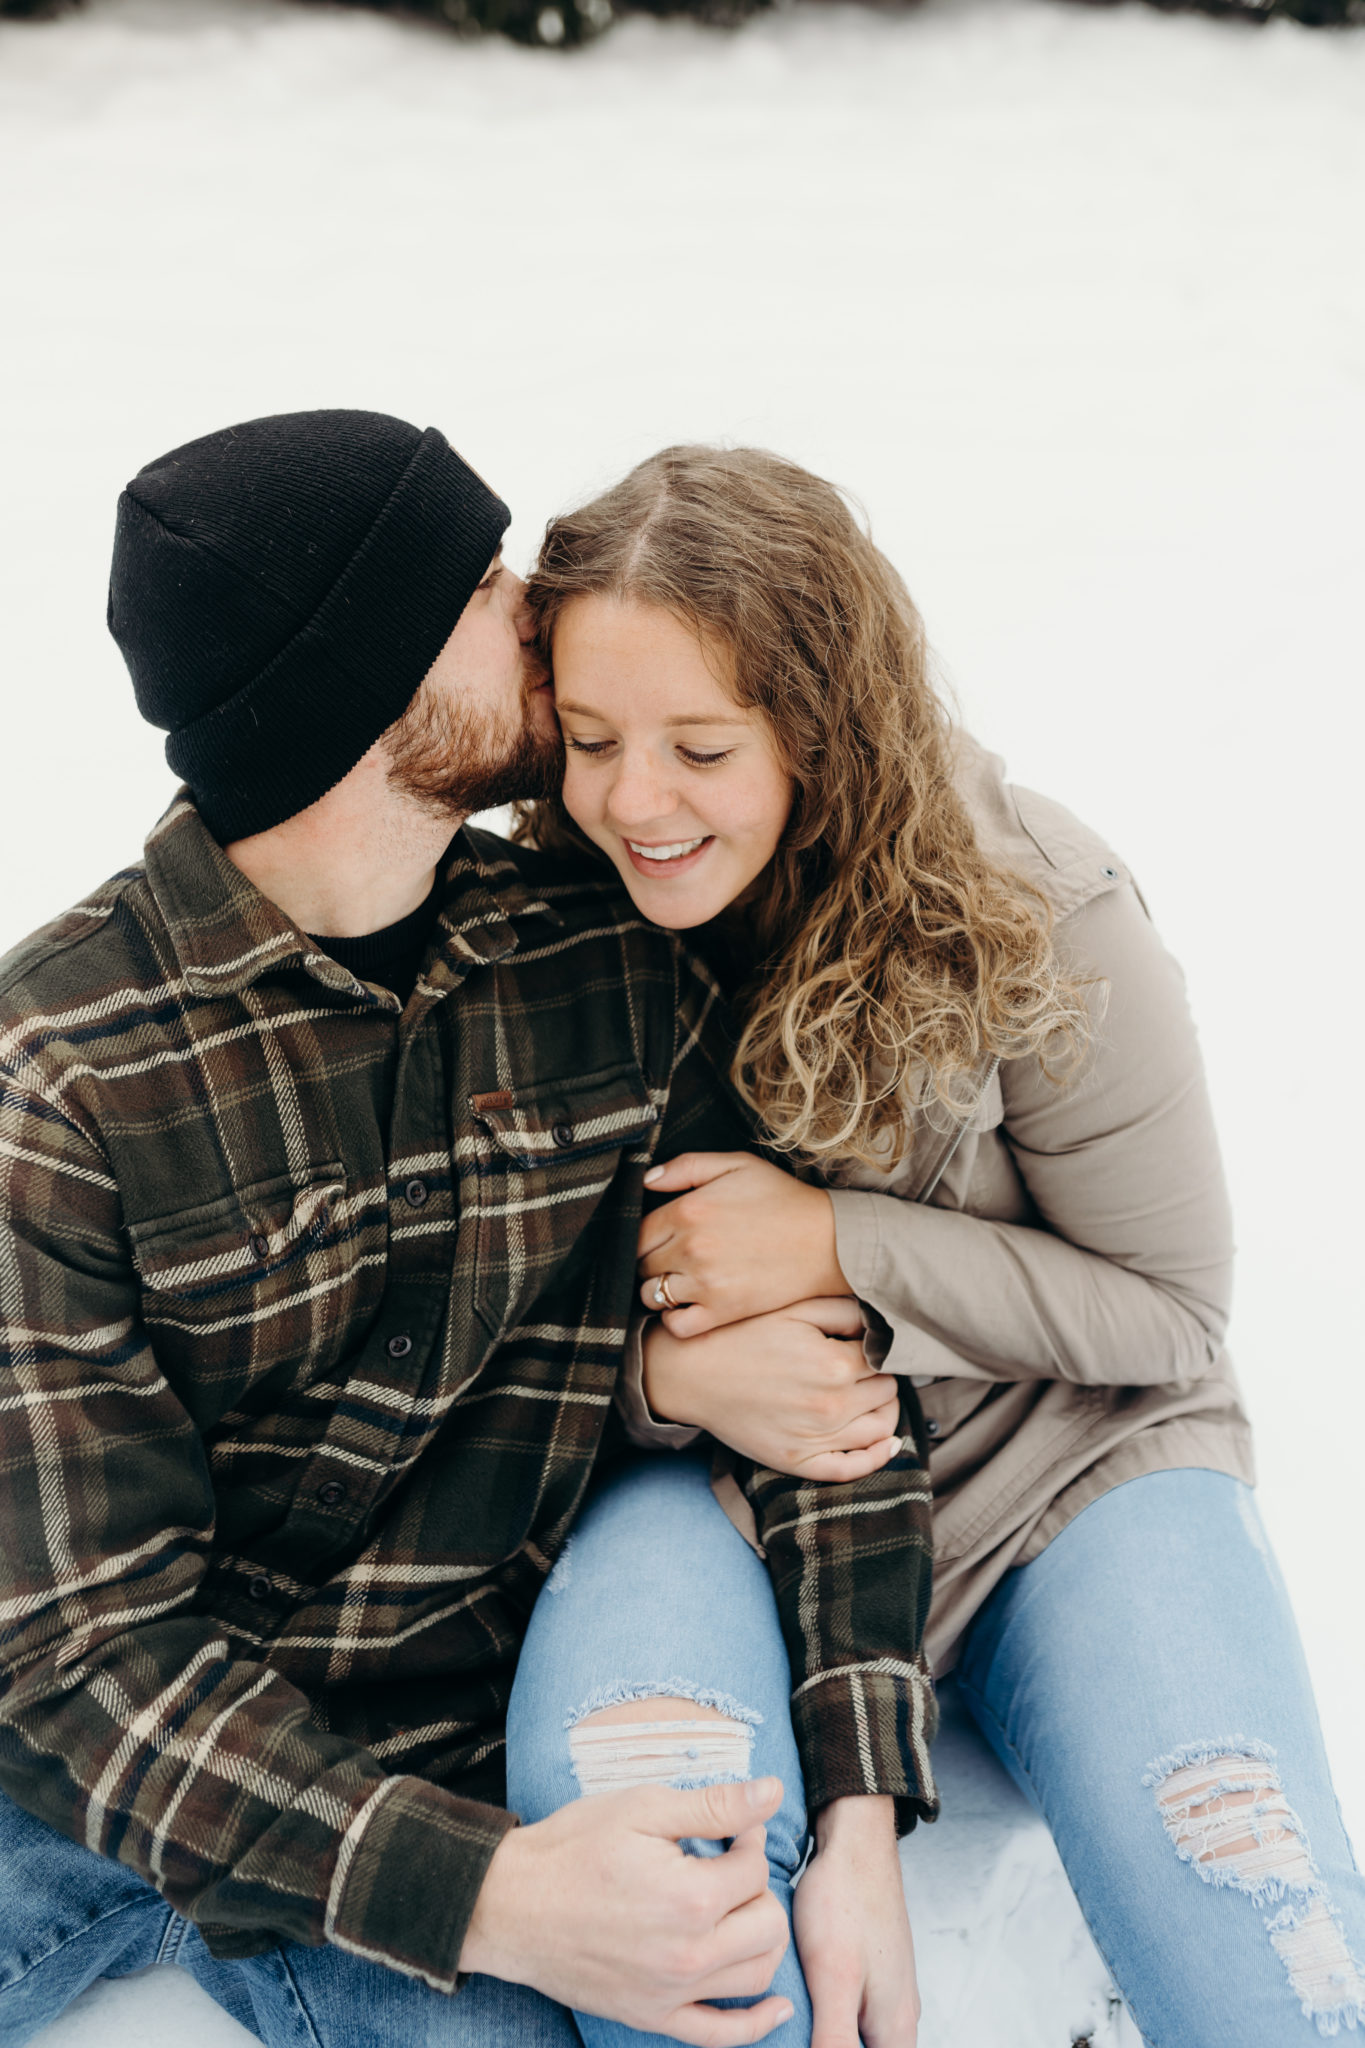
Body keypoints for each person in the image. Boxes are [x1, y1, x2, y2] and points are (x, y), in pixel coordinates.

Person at [0, 412, 936, 2048]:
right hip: (184, 1781)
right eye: (481, 586)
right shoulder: (61, 1080)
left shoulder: (604, 961)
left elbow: (817, 1395)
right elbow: (82, 1656)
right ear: (363, 686)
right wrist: (491, 1897)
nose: (537, 605)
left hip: (479, 1732)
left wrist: (859, 1803)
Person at [516, 442, 1365, 2047]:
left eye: (700, 745)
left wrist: (838, 1245)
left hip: (1063, 1470)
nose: (634, 800)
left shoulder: (1035, 904)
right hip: (695, 1489)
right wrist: (667, 1377)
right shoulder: (542, 913)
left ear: (823, 734)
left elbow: (1167, 1310)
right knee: (661, 1905)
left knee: (1250, 1894)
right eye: (589, 740)